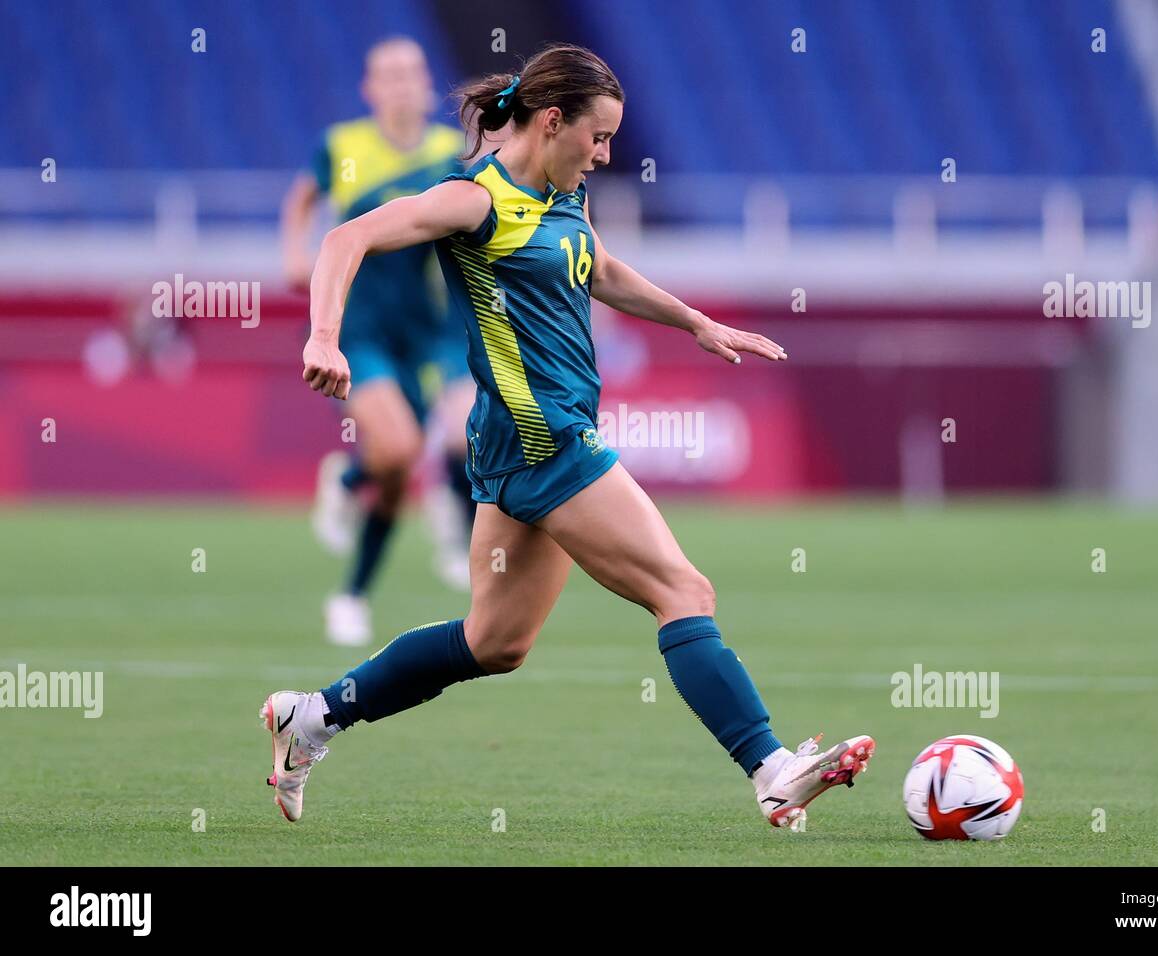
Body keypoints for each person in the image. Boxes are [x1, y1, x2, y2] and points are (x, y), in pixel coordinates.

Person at [261, 43, 874, 829]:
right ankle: (772, 767)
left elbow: (601, 268)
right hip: (544, 441)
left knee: (494, 642)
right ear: (552, 121)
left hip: (518, 444)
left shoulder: (561, 195)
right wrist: (322, 337)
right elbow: (344, 239)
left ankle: (309, 718)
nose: (607, 154)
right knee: (683, 592)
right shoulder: (472, 199)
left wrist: (694, 322)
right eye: (599, 137)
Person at [280, 36, 476, 645]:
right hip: (360, 327)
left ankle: (383, 574)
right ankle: (351, 529)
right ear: (370, 88)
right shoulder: (343, 147)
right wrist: (295, 252)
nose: (402, 84)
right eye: (389, 75)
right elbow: (303, 197)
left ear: (426, 85)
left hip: (433, 328)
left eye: (413, 73)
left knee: (460, 435)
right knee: (394, 453)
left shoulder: (452, 152)